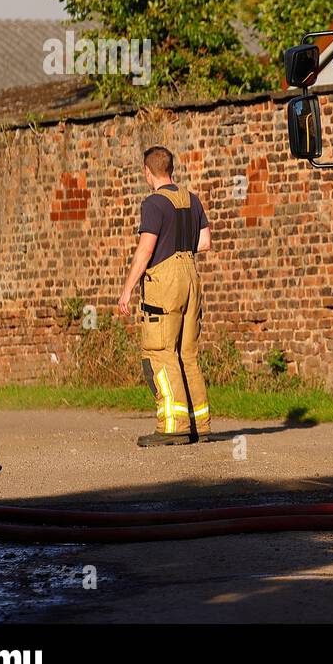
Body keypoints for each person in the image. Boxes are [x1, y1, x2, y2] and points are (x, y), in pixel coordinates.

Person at [116, 146, 213, 447]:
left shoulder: (154, 204)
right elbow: (205, 243)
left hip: (165, 281)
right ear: (170, 169)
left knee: (160, 351)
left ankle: (173, 426)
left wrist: (127, 289)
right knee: (188, 353)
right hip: (190, 277)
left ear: (148, 171)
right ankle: (200, 424)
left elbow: (146, 249)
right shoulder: (192, 199)